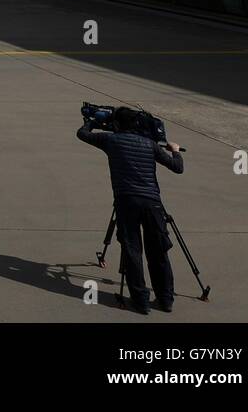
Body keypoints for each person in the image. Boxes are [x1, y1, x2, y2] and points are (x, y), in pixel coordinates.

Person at [78, 107, 184, 314]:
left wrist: (93, 122)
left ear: (116, 124)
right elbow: (177, 167)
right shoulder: (150, 144)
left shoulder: (111, 140)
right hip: (152, 203)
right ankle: (165, 299)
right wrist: (176, 151)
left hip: (126, 202)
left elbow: (82, 134)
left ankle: (141, 301)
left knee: (132, 250)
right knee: (158, 251)